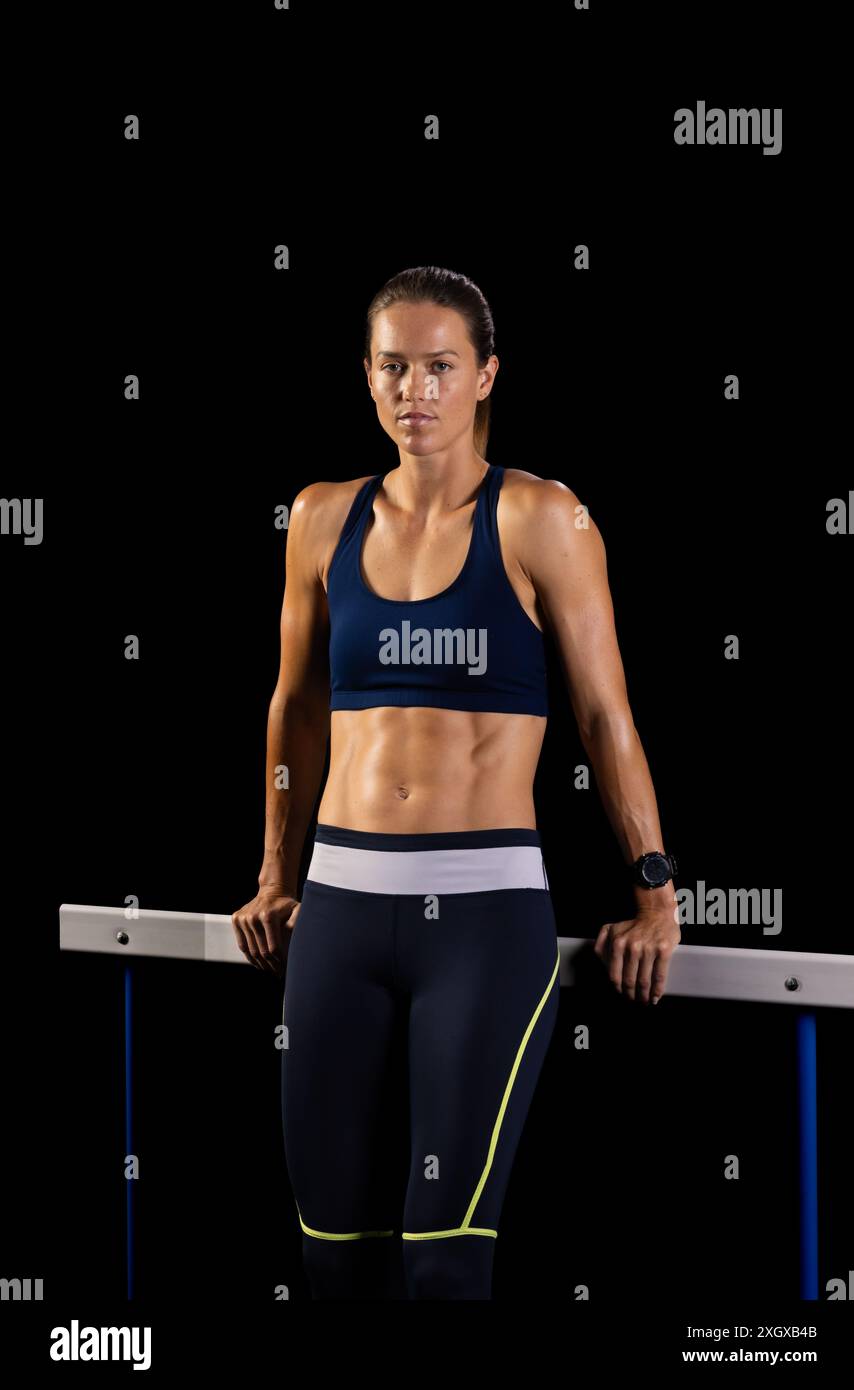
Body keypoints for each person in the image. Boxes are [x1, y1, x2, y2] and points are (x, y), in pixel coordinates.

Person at [231, 266, 681, 1300]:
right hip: (339, 908)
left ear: (485, 376)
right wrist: (272, 877)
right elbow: (295, 712)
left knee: (444, 1263)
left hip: (480, 918)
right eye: (394, 367)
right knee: (326, 1255)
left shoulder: (540, 517)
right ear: (367, 376)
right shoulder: (320, 516)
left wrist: (655, 893)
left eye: (439, 367)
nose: (414, 391)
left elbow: (607, 716)